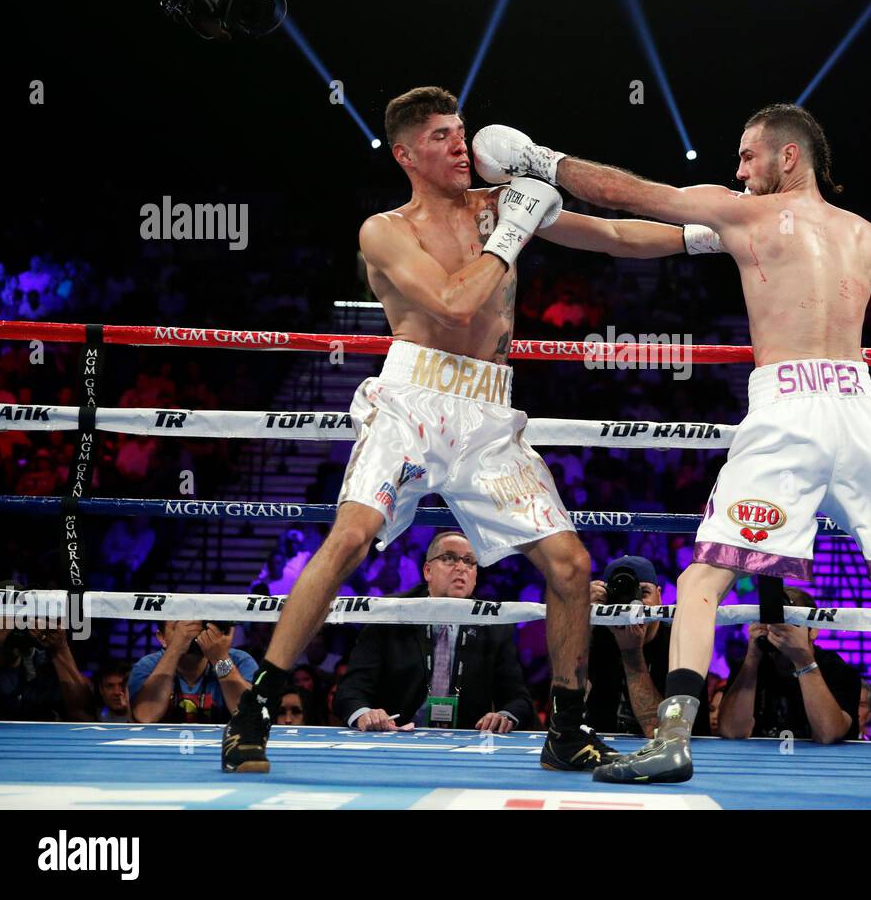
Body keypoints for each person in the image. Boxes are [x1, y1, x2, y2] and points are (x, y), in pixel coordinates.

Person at [474, 104, 871, 784]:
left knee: (701, 577)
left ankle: (673, 740)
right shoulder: (864, 234)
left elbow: (636, 199)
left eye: (747, 156)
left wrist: (538, 163)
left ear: (787, 157)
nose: (737, 171)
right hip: (865, 413)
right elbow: (630, 237)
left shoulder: (747, 215)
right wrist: (546, 218)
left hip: (790, 408)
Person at [222, 86, 703, 774]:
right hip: (413, 400)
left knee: (571, 566)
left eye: (462, 131)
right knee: (351, 536)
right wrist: (512, 232)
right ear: (406, 153)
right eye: (443, 136)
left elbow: (615, 235)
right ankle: (254, 711)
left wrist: (708, 236)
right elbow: (453, 304)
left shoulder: (496, 203)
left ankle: (566, 728)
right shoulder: (385, 230)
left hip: (488, 413)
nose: (460, 145)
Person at [333, 530, 534, 732]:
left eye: (470, 561)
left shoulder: (493, 625)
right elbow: (350, 692)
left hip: (466, 742)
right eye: (449, 558)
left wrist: (503, 717)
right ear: (427, 570)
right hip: (397, 737)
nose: (461, 567)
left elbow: (518, 699)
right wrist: (366, 713)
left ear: (475, 576)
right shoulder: (390, 614)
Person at [584, 555, 710, 737]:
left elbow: (662, 733)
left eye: (643, 593)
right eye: (622, 594)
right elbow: (563, 704)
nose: (634, 605)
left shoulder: (682, 640)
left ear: (659, 595)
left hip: (680, 752)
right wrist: (581, 619)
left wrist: (631, 653)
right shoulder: (597, 635)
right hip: (603, 748)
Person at [716, 587, 862, 743]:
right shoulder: (747, 666)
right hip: (759, 763)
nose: (782, 631)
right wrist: (752, 658)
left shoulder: (838, 670)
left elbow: (828, 734)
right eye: (774, 623)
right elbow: (732, 732)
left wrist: (803, 661)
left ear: (813, 631)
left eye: (791, 623)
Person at [131, 621, 256, 723]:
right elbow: (145, 716)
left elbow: (251, 715)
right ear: (161, 637)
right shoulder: (148, 666)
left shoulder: (240, 661)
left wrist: (220, 659)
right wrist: (175, 649)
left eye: (198, 626)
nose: (191, 634)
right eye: (179, 628)